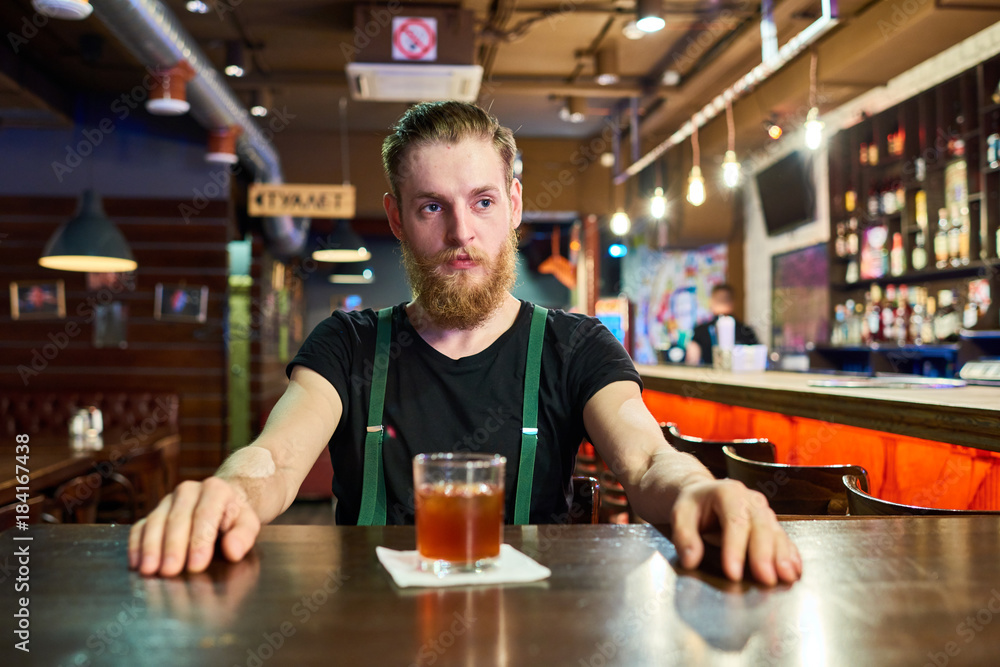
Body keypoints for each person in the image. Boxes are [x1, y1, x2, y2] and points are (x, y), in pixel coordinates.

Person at [129, 102, 801, 586]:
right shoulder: (349, 344)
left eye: (481, 202)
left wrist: (695, 488)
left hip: (533, 633)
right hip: (366, 636)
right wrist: (226, 493)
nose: (460, 232)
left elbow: (650, 457)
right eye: (431, 206)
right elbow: (273, 460)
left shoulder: (577, 345)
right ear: (397, 217)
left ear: (512, 205)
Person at [684, 284, 760, 366]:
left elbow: (692, 360)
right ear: (732, 303)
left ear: (712, 302)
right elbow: (757, 359)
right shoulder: (746, 331)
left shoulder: (700, 331)